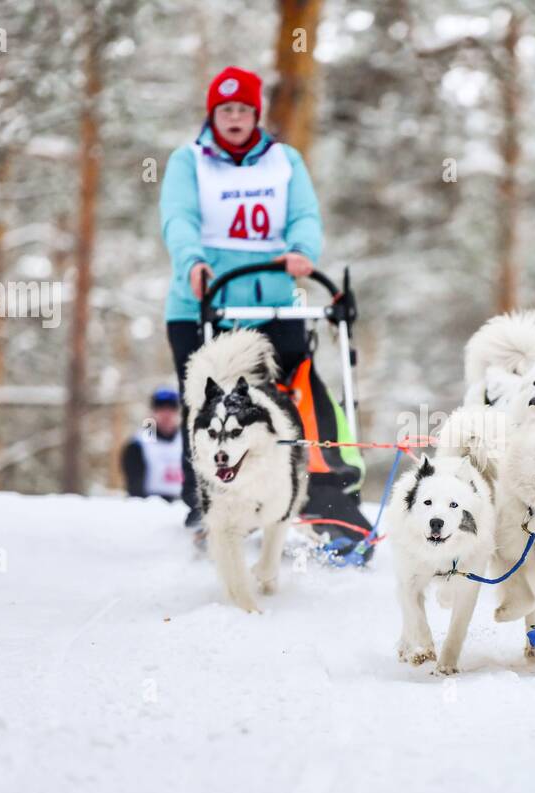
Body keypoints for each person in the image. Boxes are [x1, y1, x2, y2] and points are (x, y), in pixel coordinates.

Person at [159, 65, 369, 553]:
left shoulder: (284, 160)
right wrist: (191, 261)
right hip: (201, 306)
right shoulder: (187, 162)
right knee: (205, 406)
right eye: (225, 109)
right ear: (213, 114)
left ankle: (321, 497)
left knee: (294, 398)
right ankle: (207, 501)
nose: (234, 117)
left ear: (257, 114)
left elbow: (304, 216)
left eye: (243, 109)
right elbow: (179, 218)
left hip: (274, 304)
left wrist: (301, 251)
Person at [120, 386, 185, 501]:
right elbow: (134, 487)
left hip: (181, 502)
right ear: (152, 412)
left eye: (171, 409)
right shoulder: (140, 443)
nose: (167, 415)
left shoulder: (184, 439)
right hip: (150, 504)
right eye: (161, 409)